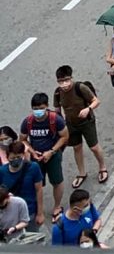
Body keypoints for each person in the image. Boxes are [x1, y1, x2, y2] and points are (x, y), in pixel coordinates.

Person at [52, 66, 107, 189]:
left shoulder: (80, 88)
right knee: (77, 148)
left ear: (71, 78)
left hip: (86, 122)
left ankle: (102, 167)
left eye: (66, 80)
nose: (64, 84)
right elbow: (57, 110)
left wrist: (88, 109)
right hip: (71, 124)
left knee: (94, 147)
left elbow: (96, 101)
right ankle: (82, 173)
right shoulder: (57, 92)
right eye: (61, 82)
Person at [21, 92, 68, 220]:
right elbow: (23, 139)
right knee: (36, 184)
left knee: (57, 181)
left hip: (53, 155)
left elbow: (64, 136)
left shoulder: (55, 120)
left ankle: (57, 206)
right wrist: (32, 151)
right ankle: (37, 208)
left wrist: (51, 151)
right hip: (36, 158)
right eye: (35, 109)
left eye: (41, 108)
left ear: (46, 106)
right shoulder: (28, 122)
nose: (38, 112)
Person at [0, 141, 44, 231]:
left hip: (29, 211)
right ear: (7, 157)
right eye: (13, 158)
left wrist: (40, 213)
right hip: (9, 214)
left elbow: (39, 190)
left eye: (18, 157)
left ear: (23, 155)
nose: (16, 160)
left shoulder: (33, 168)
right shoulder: (2, 171)